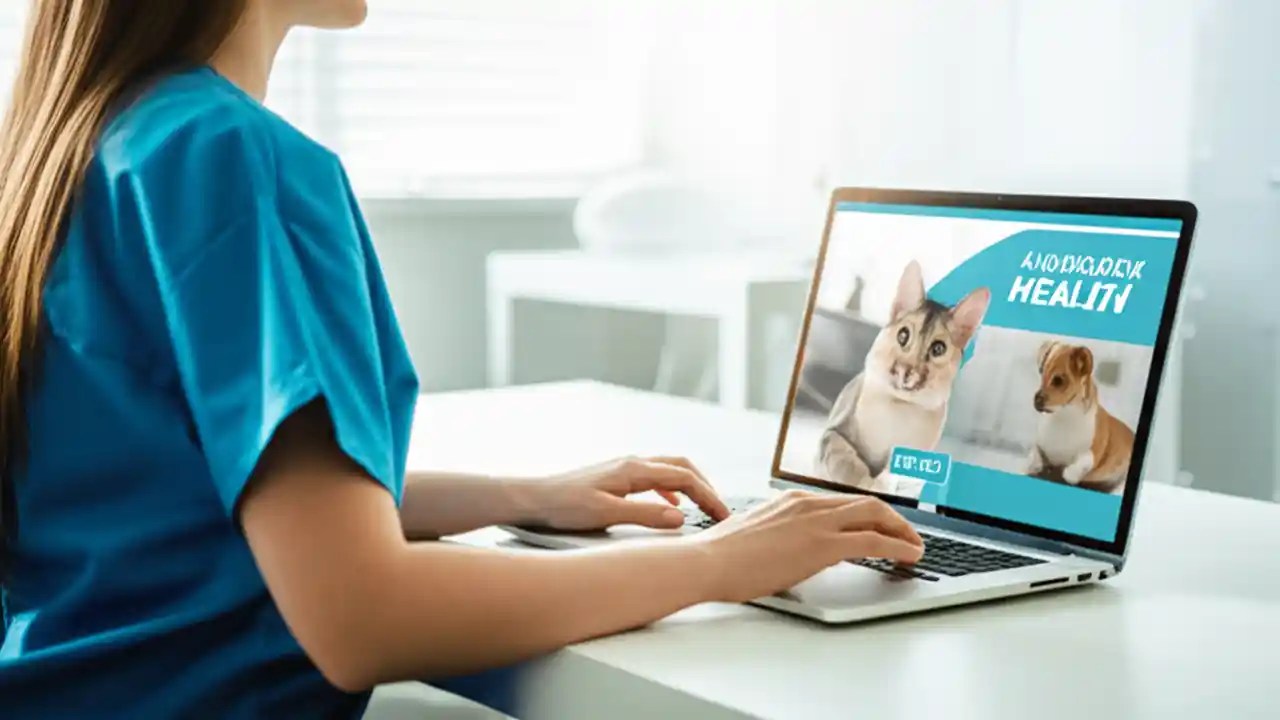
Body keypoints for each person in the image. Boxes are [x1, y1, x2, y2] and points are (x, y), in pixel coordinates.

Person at [0, 1, 924, 717]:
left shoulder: (89, 144)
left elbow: (202, 499)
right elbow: (360, 614)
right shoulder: (237, 160)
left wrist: (521, 496)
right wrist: (721, 560)